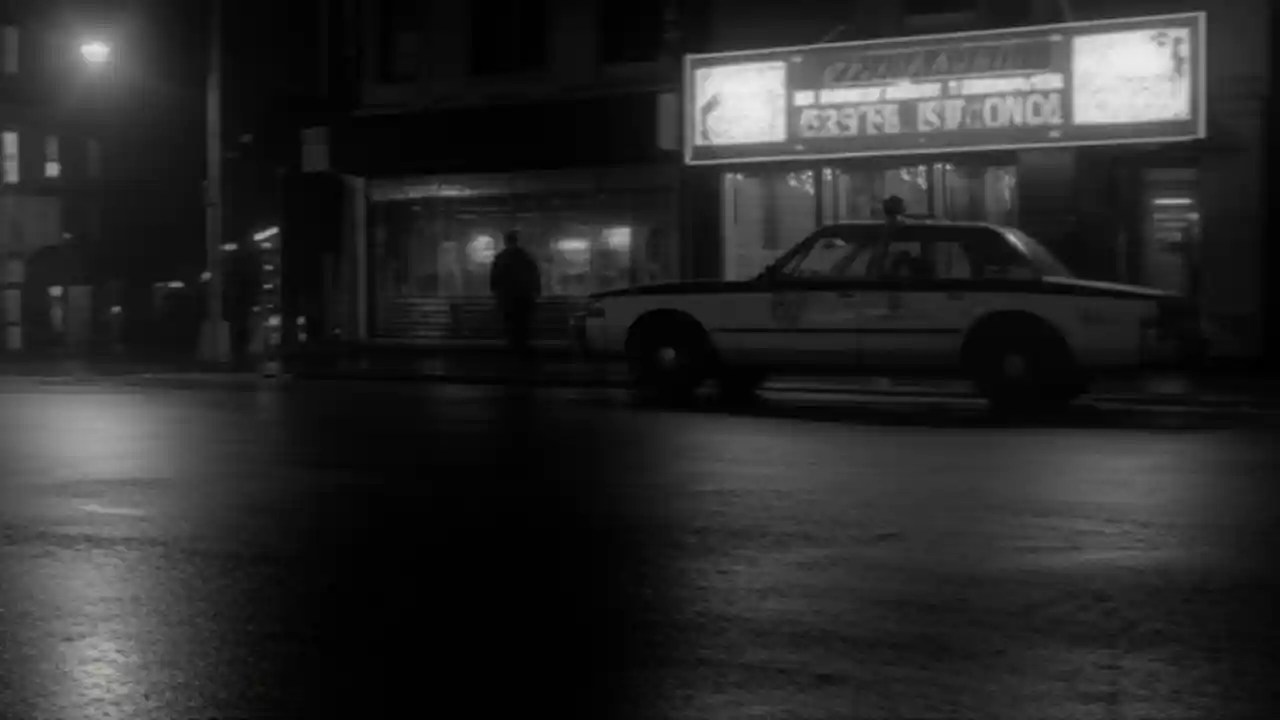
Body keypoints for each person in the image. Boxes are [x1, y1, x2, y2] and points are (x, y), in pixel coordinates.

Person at [489, 229, 542, 360]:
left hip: (507, 300)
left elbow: (494, 281)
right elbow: (534, 277)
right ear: (517, 241)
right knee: (523, 328)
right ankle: (523, 355)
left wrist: (497, 295)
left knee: (510, 329)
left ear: (506, 242)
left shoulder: (501, 258)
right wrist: (536, 292)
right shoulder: (525, 257)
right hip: (524, 299)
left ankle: (513, 355)